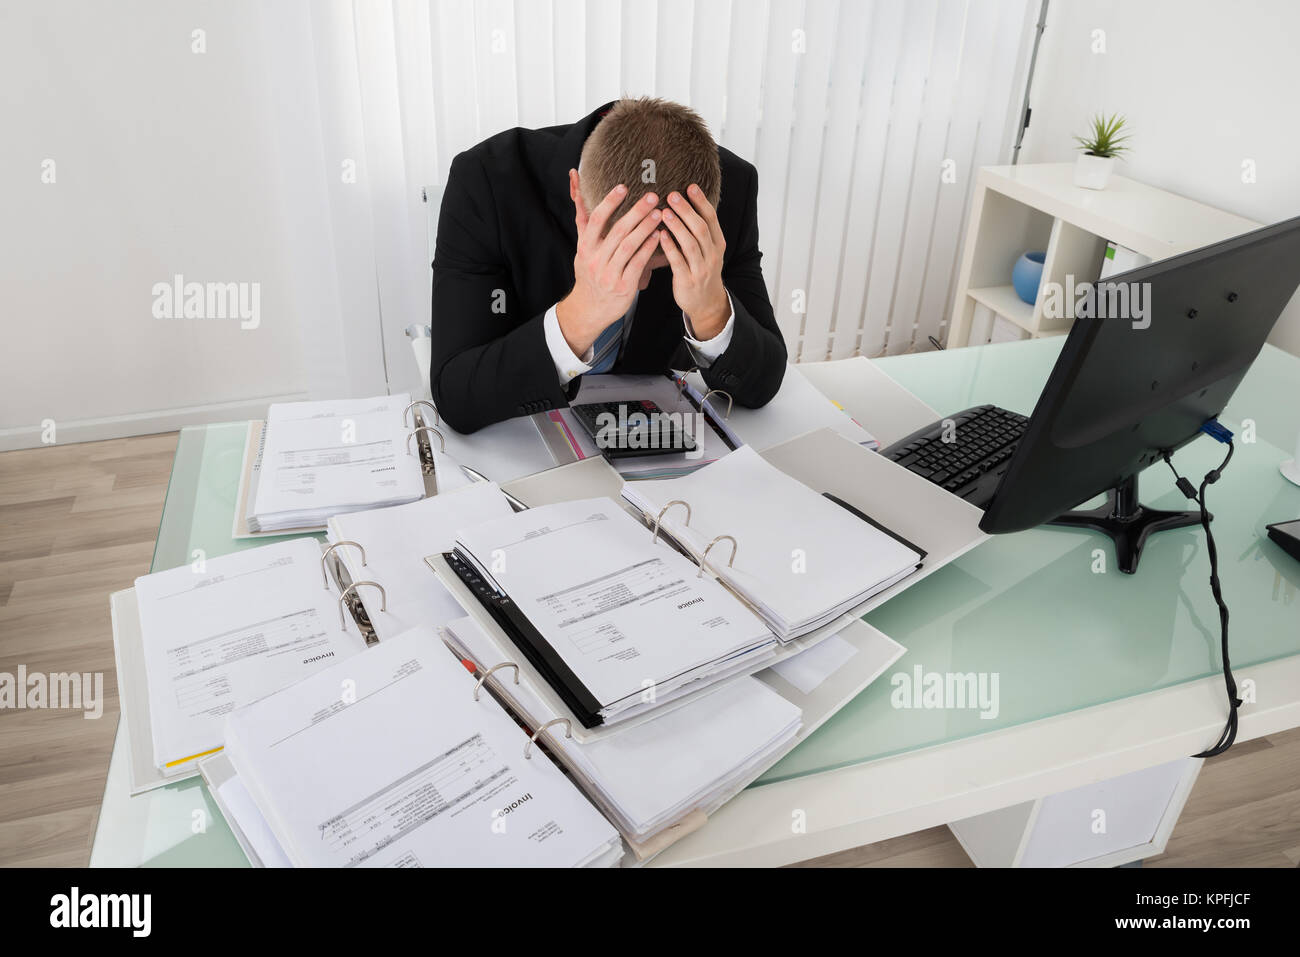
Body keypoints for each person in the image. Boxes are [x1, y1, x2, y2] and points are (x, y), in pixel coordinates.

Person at [430, 97, 787, 433]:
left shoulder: (733, 188)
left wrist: (712, 313)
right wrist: (580, 316)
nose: (640, 281)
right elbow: (456, 395)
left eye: (663, 259)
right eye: (623, 252)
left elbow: (763, 385)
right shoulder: (485, 179)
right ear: (576, 190)